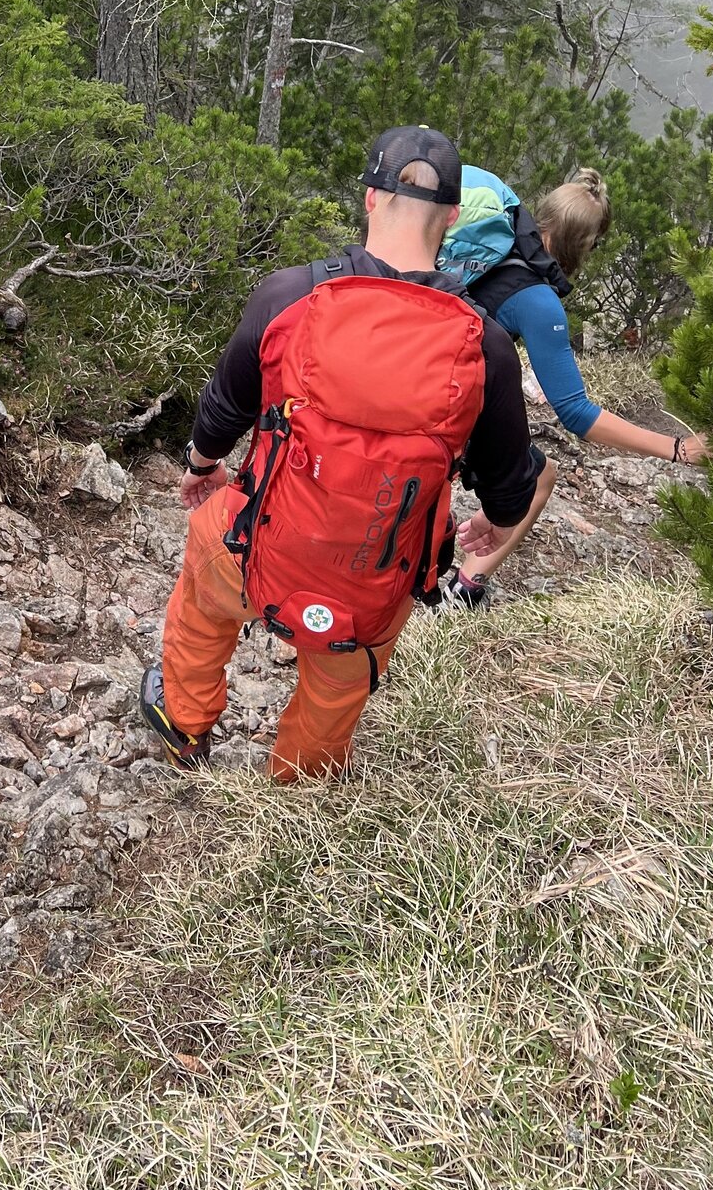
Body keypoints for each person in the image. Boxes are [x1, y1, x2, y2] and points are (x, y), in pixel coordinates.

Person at [140, 127, 551, 781]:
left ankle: (184, 724)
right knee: (340, 683)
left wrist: (201, 466)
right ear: (449, 218)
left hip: (260, 545)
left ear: (369, 198)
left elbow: (224, 405)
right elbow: (508, 482)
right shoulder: (485, 344)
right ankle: (297, 785)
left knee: (205, 579)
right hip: (375, 578)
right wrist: (492, 522)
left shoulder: (289, 296)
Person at [444, 167, 706, 606]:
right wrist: (677, 449)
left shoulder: (487, 250)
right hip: (449, 409)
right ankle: (464, 587)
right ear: (585, 245)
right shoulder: (537, 300)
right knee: (540, 476)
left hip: (410, 380)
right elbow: (576, 413)